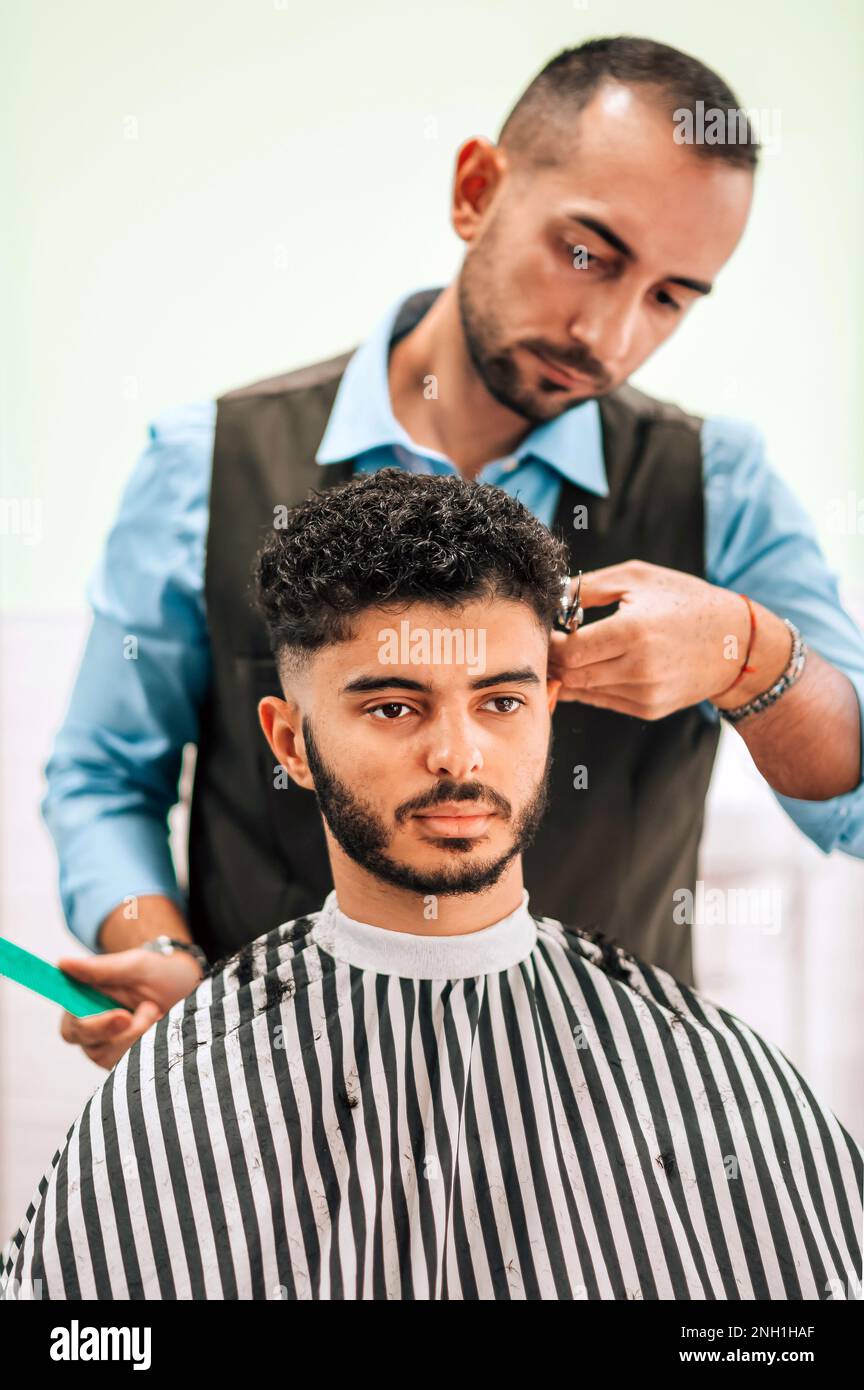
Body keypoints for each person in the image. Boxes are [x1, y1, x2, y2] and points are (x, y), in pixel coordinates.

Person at [45, 37, 864, 1073]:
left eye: (668, 298)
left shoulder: (722, 485)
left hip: (597, 1138)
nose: (608, 335)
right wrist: (155, 942)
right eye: (587, 254)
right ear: (478, 189)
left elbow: (855, 798)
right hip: (277, 1121)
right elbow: (104, 776)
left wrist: (750, 655)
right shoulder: (205, 464)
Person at [5, 472, 861, 1302]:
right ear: (291, 743)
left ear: (550, 706)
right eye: (394, 708)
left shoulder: (712, 1085)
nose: (458, 755)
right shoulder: (170, 1104)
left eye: (501, 703)